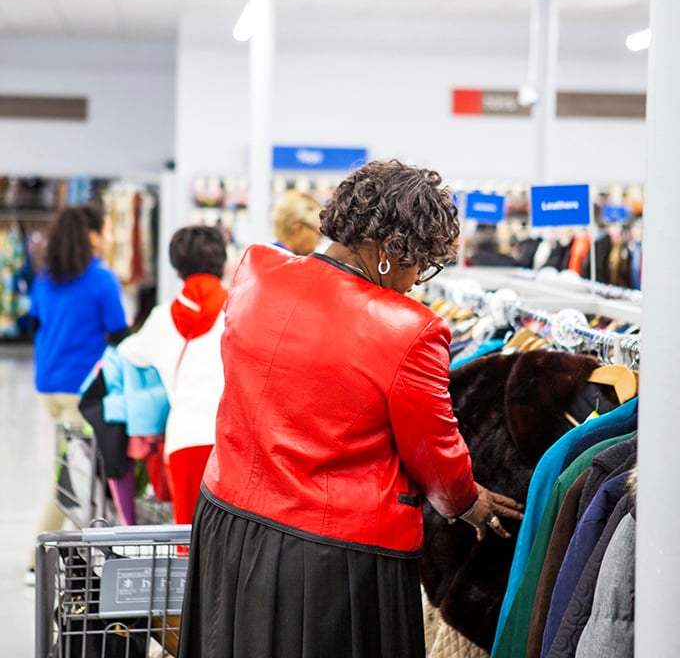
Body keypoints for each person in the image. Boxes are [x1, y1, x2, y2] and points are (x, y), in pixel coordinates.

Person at [177, 160, 524, 658]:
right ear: (389, 251)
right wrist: (468, 503)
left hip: (226, 517)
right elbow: (434, 451)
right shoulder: (409, 328)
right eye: (419, 265)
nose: (415, 283)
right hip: (332, 553)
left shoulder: (255, 269)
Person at [27, 203, 129, 583]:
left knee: (71, 470)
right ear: (91, 235)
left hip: (48, 386)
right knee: (72, 479)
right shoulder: (101, 279)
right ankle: (36, 560)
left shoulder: (45, 277)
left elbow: (37, 321)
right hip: (80, 393)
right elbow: (119, 333)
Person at [116, 225, 228, 525]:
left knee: (188, 540)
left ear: (177, 268)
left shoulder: (161, 317)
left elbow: (126, 354)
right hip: (232, 438)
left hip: (185, 438)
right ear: (223, 261)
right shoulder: (238, 309)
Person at [270, 188, 322, 254]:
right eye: (319, 235)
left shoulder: (265, 255)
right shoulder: (288, 262)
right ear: (298, 228)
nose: (319, 243)